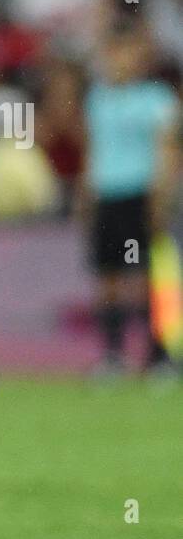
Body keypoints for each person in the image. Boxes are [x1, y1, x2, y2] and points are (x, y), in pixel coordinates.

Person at [81, 22, 182, 376]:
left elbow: (167, 154)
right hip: (106, 195)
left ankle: (159, 356)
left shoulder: (157, 99)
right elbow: (92, 153)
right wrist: (86, 197)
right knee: (107, 277)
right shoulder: (98, 99)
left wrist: (160, 198)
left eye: (125, 53)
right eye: (112, 54)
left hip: (140, 194)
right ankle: (113, 356)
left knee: (144, 277)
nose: (117, 61)